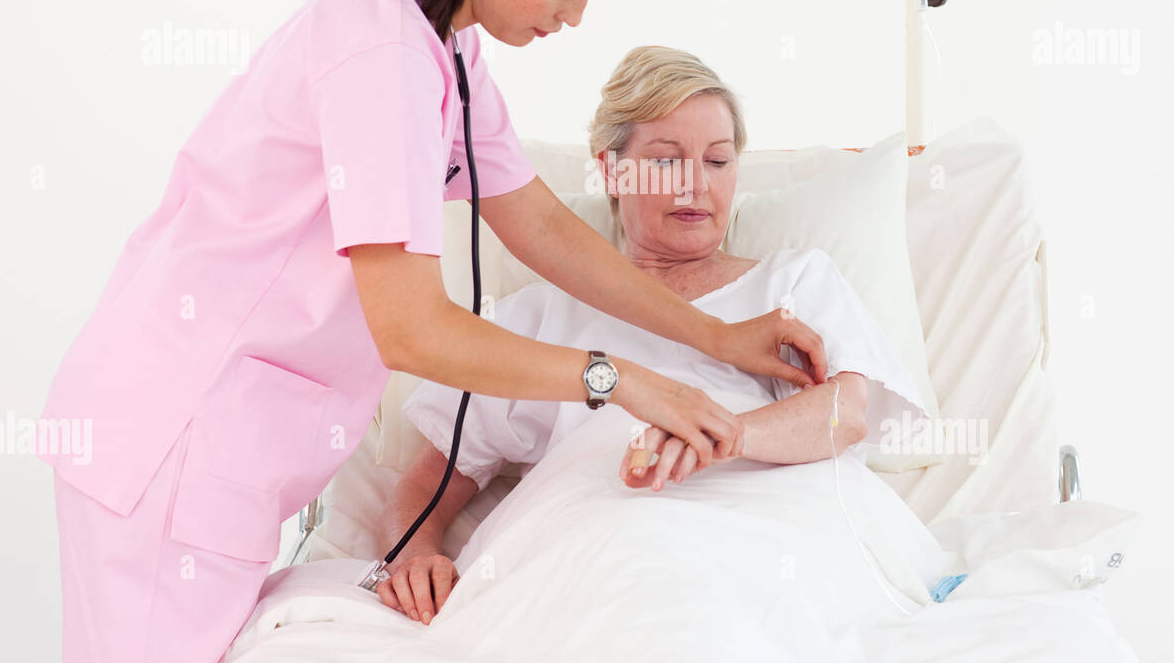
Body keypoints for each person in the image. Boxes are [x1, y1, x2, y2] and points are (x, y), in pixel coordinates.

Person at [36, 0, 829, 663]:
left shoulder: (443, 42)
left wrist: (715, 335)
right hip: (172, 437)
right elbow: (413, 329)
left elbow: (534, 222)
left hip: (218, 455)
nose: (576, 20)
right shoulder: (381, 53)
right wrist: (621, 376)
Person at [373, 45, 930, 626]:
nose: (697, 186)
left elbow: (849, 413)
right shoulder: (538, 317)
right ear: (611, 170)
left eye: (717, 162)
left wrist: (723, 435)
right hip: (601, 531)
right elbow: (433, 475)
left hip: (774, 524)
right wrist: (413, 553)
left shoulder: (792, 283)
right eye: (666, 162)